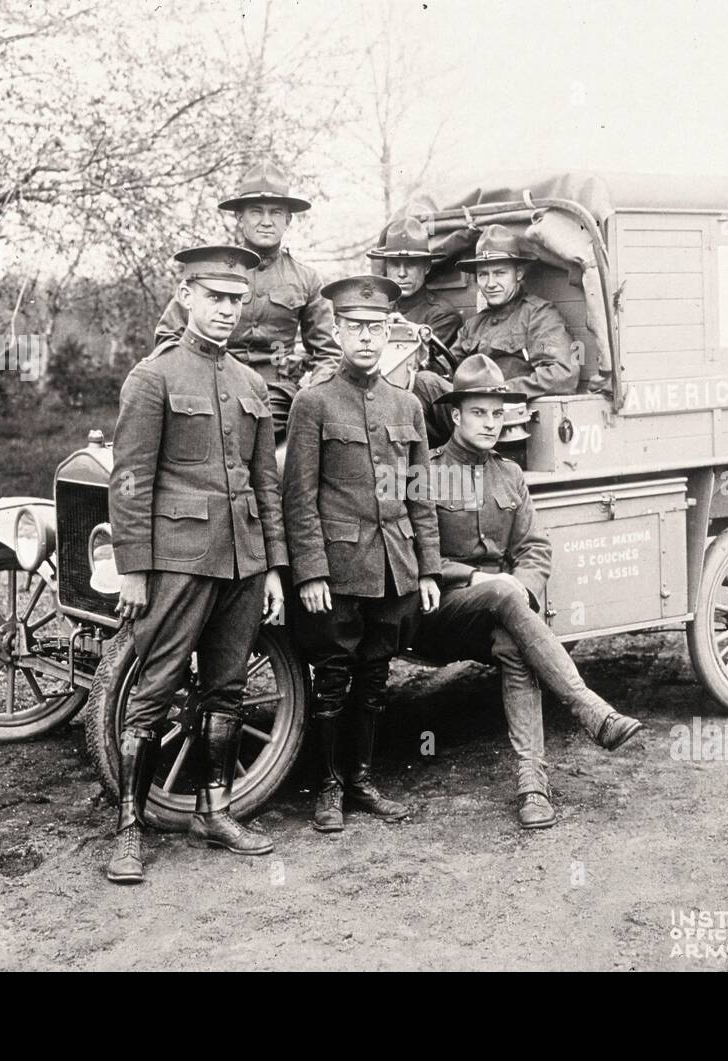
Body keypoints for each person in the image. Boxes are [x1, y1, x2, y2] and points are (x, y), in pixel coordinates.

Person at [106, 245, 289, 883]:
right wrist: (133, 567)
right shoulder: (152, 377)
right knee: (154, 690)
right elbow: (129, 479)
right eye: (215, 298)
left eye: (237, 301)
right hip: (179, 561)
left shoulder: (251, 384)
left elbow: (266, 482)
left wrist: (271, 567)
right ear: (186, 296)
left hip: (243, 559)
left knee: (227, 689)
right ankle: (129, 828)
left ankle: (215, 809)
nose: (226, 313)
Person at [411, 355, 642, 829]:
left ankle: (533, 786)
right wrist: (478, 579)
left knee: (514, 643)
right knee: (504, 596)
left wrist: (521, 586)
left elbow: (534, 549)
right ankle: (588, 707)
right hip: (442, 610)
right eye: (479, 413)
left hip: (502, 608)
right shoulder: (427, 472)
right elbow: (416, 552)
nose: (491, 423)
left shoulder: (509, 475)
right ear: (455, 416)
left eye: (498, 414)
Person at [283, 275, 442, 833]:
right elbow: (298, 497)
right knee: (332, 679)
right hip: (338, 569)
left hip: (394, 567)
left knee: (376, 677)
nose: (367, 339)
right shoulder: (313, 403)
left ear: (390, 335)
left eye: (377, 329)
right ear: (338, 331)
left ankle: (363, 781)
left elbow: (421, 493)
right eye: (355, 328)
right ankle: (327, 787)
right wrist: (310, 571)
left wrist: (428, 567)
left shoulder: (408, 406)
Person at [154, 161, 341, 437]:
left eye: (276, 212)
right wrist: (189, 377)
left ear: (288, 220)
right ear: (240, 218)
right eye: (256, 212)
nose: (266, 221)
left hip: (274, 392)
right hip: (208, 382)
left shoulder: (307, 279)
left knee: (247, 429)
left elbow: (328, 354)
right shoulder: (211, 270)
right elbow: (167, 336)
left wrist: (312, 393)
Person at [449, 224, 579, 399]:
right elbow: (446, 367)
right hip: (471, 412)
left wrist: (499, 391)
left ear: (518, 274)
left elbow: (561, 375)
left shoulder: (538, 315)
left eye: (499, 273)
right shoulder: (473, 326)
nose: (490, 283)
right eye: (483, 275)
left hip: (513, 413)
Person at [367, 215, 461, 447]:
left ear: (426, 267)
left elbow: (424, 373)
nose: (401, 273)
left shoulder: (441, 315)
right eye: (394, 265)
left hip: (422, 412)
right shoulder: (378, 312)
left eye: (410, 265)